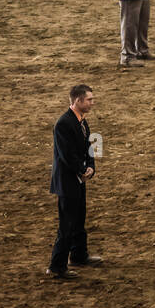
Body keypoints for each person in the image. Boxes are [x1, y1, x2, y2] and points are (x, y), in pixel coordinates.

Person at [46, 84, 102, 279]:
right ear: (78, 101)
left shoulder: (80, 121)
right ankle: (57, 266)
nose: (92, 103)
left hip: (77, 178)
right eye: (89, 99)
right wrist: (82, 169)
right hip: (68, 181)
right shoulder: (64, 123)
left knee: (78, 219)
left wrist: (91, 167)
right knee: (67, 224)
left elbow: (88, 146)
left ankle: (78, 255)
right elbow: (66, 155)